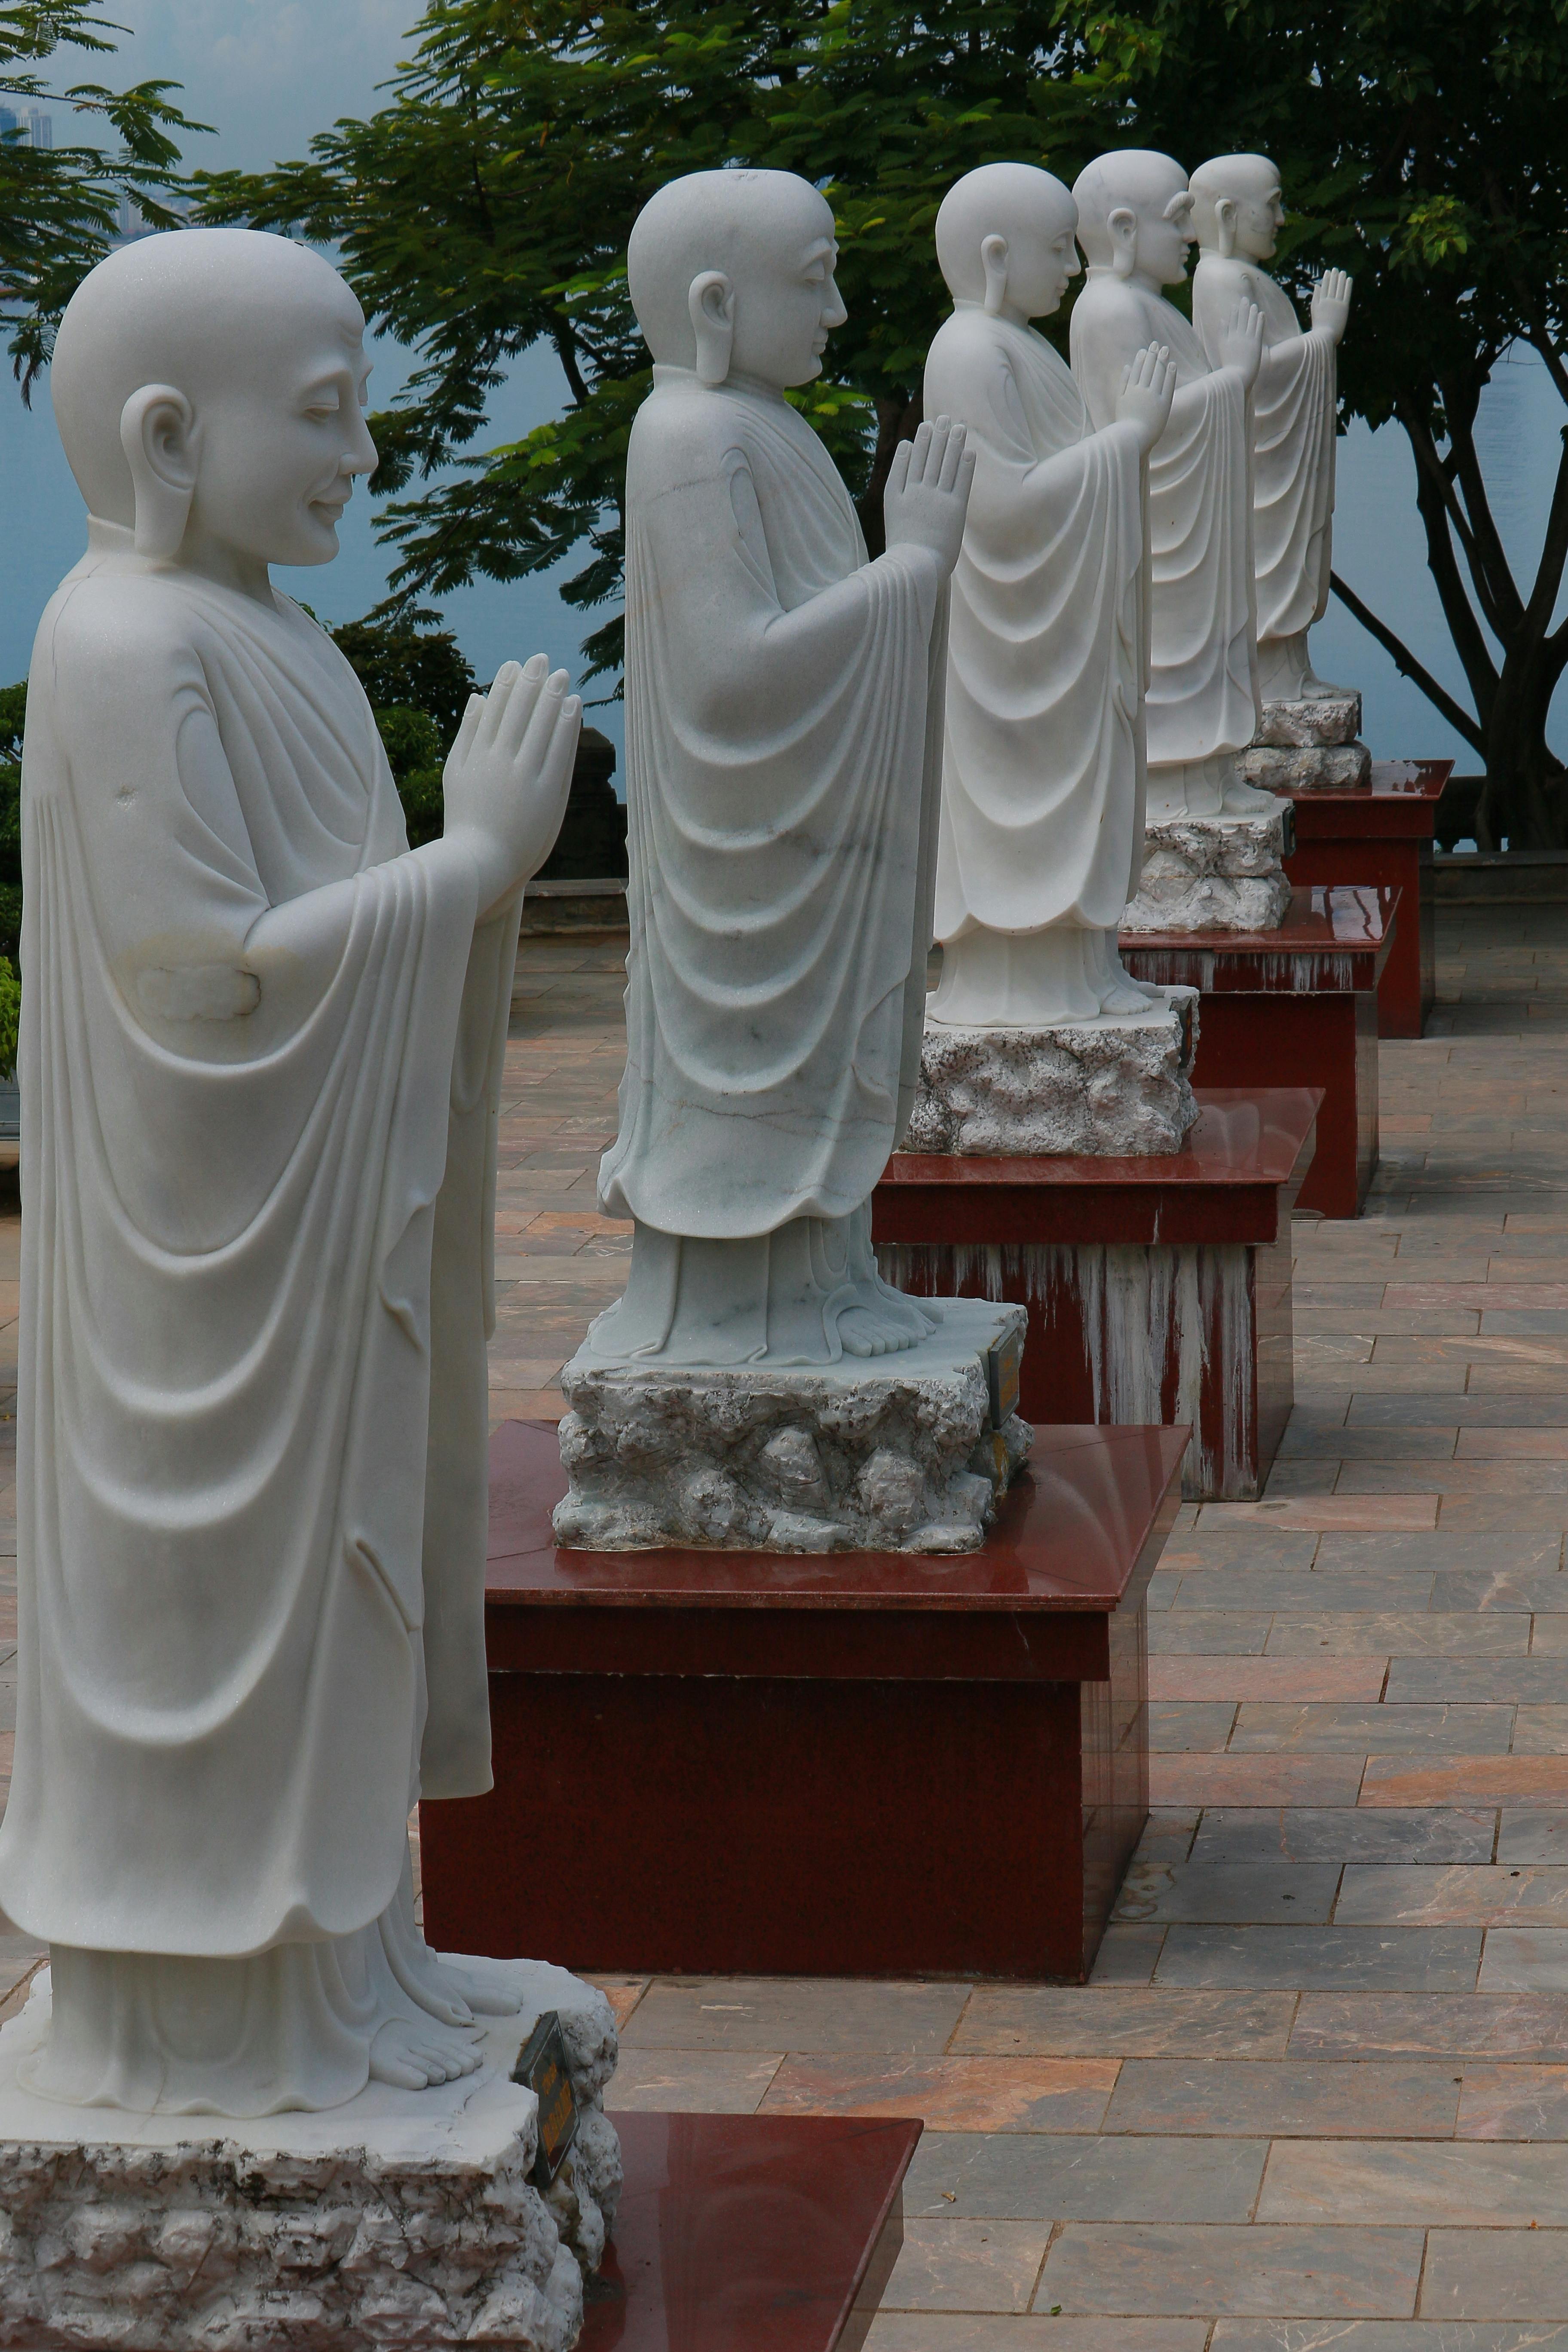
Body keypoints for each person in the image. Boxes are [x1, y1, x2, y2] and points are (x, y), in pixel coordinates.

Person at [0, 227, 581, 2112]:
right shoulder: (122, 640)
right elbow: (209, 978)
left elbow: (298, 934)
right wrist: (470, 866)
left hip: (310, 1257)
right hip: (200, 1273)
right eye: (325, 415)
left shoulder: (270, 627)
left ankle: (348, 1958)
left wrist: (447, 879)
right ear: (168, 437)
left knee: (343, 1584)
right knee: (240, 1605)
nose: (365, 453)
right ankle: (218, 2021)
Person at [588, 168, 974, 1368]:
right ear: (714, 307)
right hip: (746, 855)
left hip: (804, 839)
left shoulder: (767, 427)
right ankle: (738, 1314)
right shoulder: (690, 434)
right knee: (750, 1096)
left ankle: (829, 1279)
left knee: (816, 1073)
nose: (844, 312)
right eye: (816, 284)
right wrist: (910, 569)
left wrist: (904, 580)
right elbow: (732, 678)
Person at [923, 162, 1173, 1027]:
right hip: (1013, 643)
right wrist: (1129, 439)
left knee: (1087, 790)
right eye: (1058, 248)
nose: (1075, 266)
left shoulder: (1020, 346)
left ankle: (1079, 967)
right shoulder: (966, 352)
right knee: (1020, 810)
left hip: (1062, 628)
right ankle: (1015, 982)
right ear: (995, 258)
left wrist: (1115, 447)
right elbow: (1006, 509)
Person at [1070, 149, 1270, 821]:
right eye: (1177, 218)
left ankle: (1213, 772)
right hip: (1162, 528)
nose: (1191, 236)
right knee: (1172, 659)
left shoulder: (1149, 307)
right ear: (1125, 231)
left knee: (1210, 648)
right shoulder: (1109, 312)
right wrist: (1233, 379)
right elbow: (1149, 422)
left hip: (1193, 528)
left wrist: (1222, 385)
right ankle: (1177, 787)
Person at [1190, 152, 1353, 704]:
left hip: (1275, 458)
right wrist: (1322, 339)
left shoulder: (1243, 278)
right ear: (1229, 214)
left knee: (1288, 565)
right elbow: (1254, 376)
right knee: (1269, 565)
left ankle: (1292, 670)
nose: (1282, 220)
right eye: (1274, 206)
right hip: (1262, 457)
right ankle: (1273, 682)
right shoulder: (1220, 278)